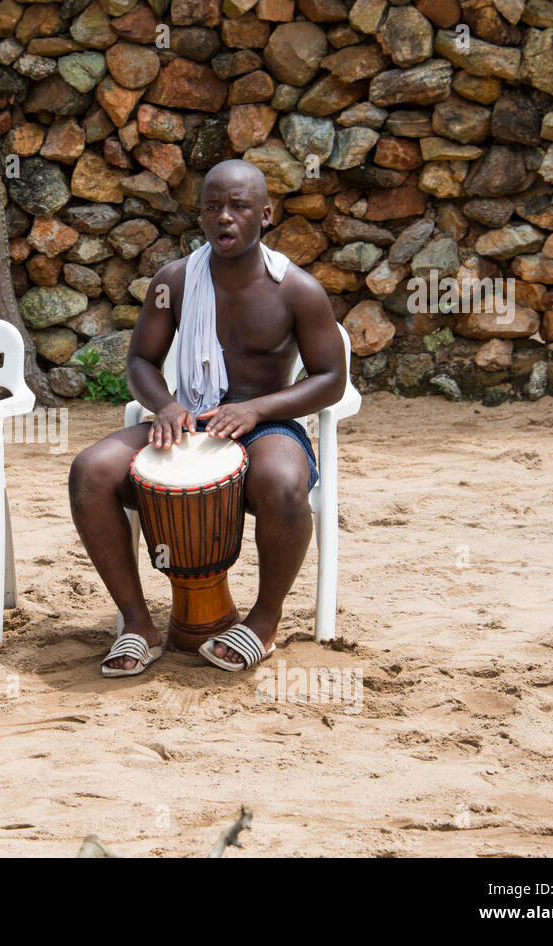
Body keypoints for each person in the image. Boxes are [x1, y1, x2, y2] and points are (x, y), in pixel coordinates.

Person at [68, 159, 348, 677]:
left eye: (238, 207)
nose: (225, 218)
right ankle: (137, 624)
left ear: (265, 214)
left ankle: (263, 620)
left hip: (267, 424)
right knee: (91, 470)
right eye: (212, 207)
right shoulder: (172, 282)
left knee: (284, 482)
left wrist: (257, 407)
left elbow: (331, 377)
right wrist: (167, 406)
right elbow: (140, 362)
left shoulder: (295, 289)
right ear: (199, 217)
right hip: (189, 419)